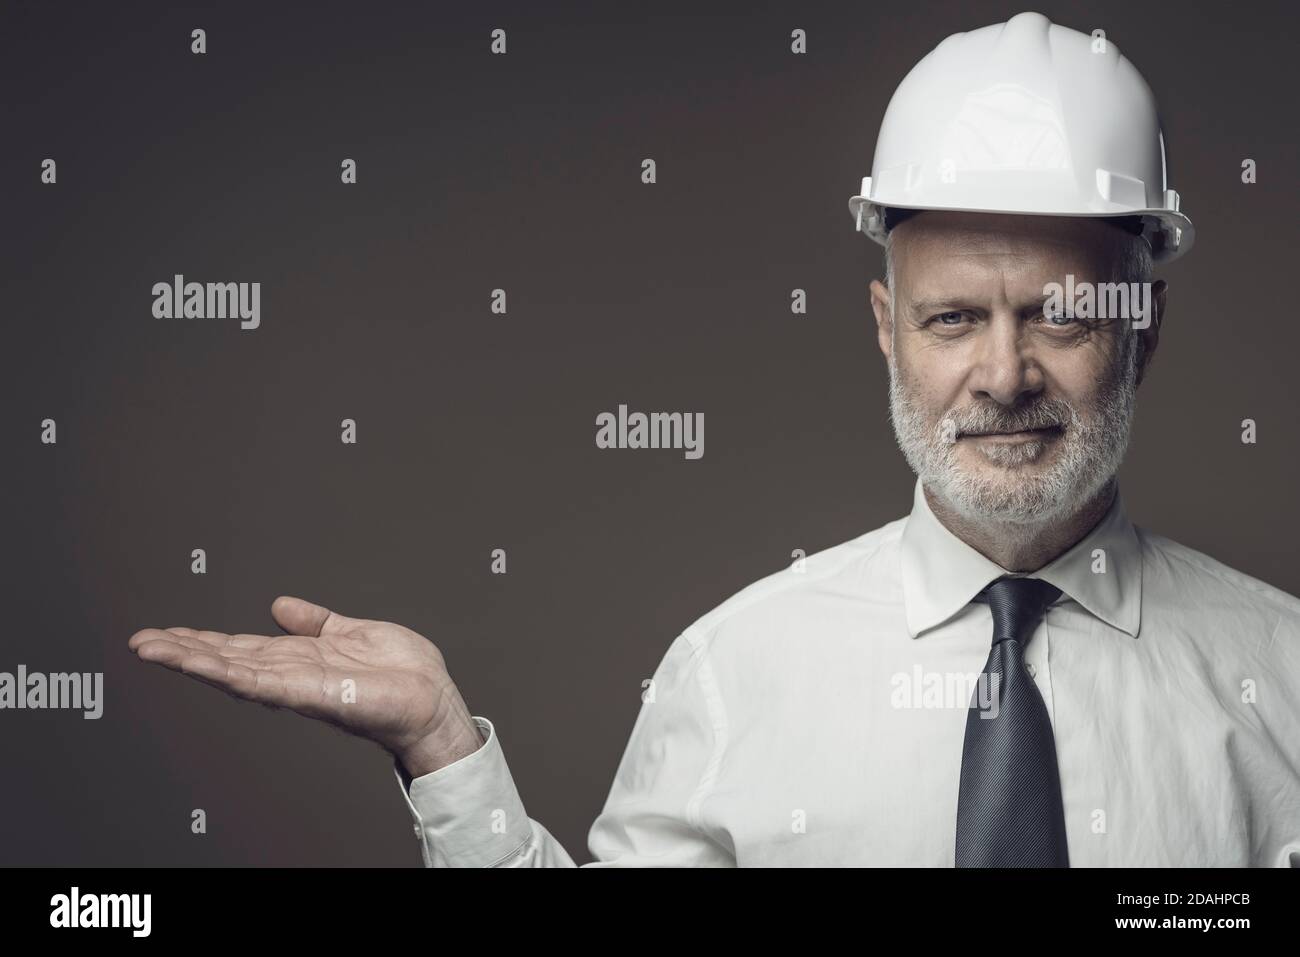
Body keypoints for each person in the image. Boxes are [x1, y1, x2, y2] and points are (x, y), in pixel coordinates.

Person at [128, 12, 1300, 867]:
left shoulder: (1284, 679)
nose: (1002, 374)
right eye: (953, 318)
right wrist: (444, 750)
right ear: (888, 330)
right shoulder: (735, 672)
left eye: (1059, 313)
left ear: (1141, 329)